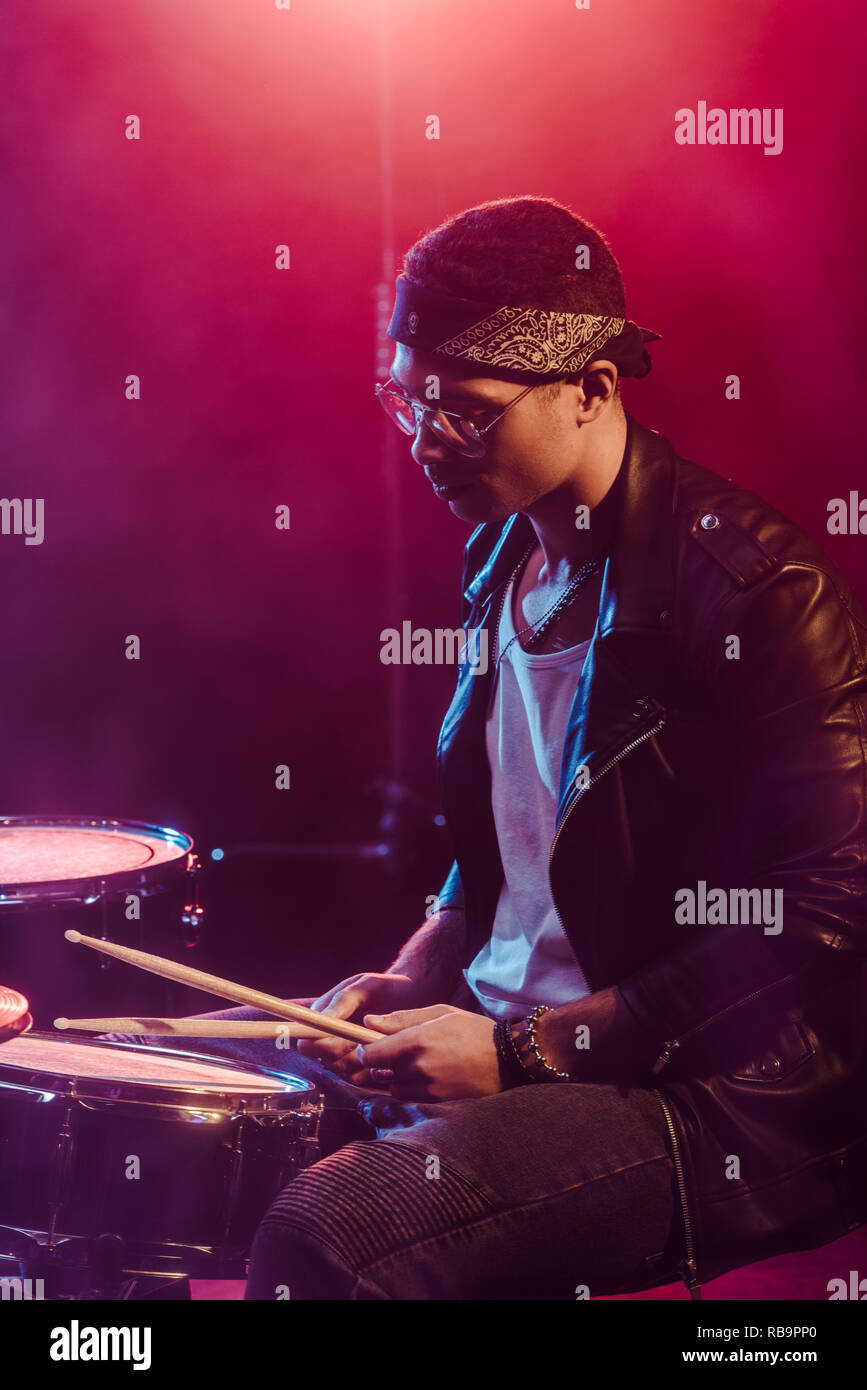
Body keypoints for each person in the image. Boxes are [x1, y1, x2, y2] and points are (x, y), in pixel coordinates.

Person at [112, 196, 867, 1300]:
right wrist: (429, 953)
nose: (426, 441)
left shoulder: (760, 589)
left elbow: (830, 908)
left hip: (703, 1094)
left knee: (329, 1231)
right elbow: (525, 836)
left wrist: (528, 1052)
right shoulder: (499, 555)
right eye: (410, 403)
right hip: (510, 1030)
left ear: (592, 390)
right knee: (148, 1088)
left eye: (464, 411)